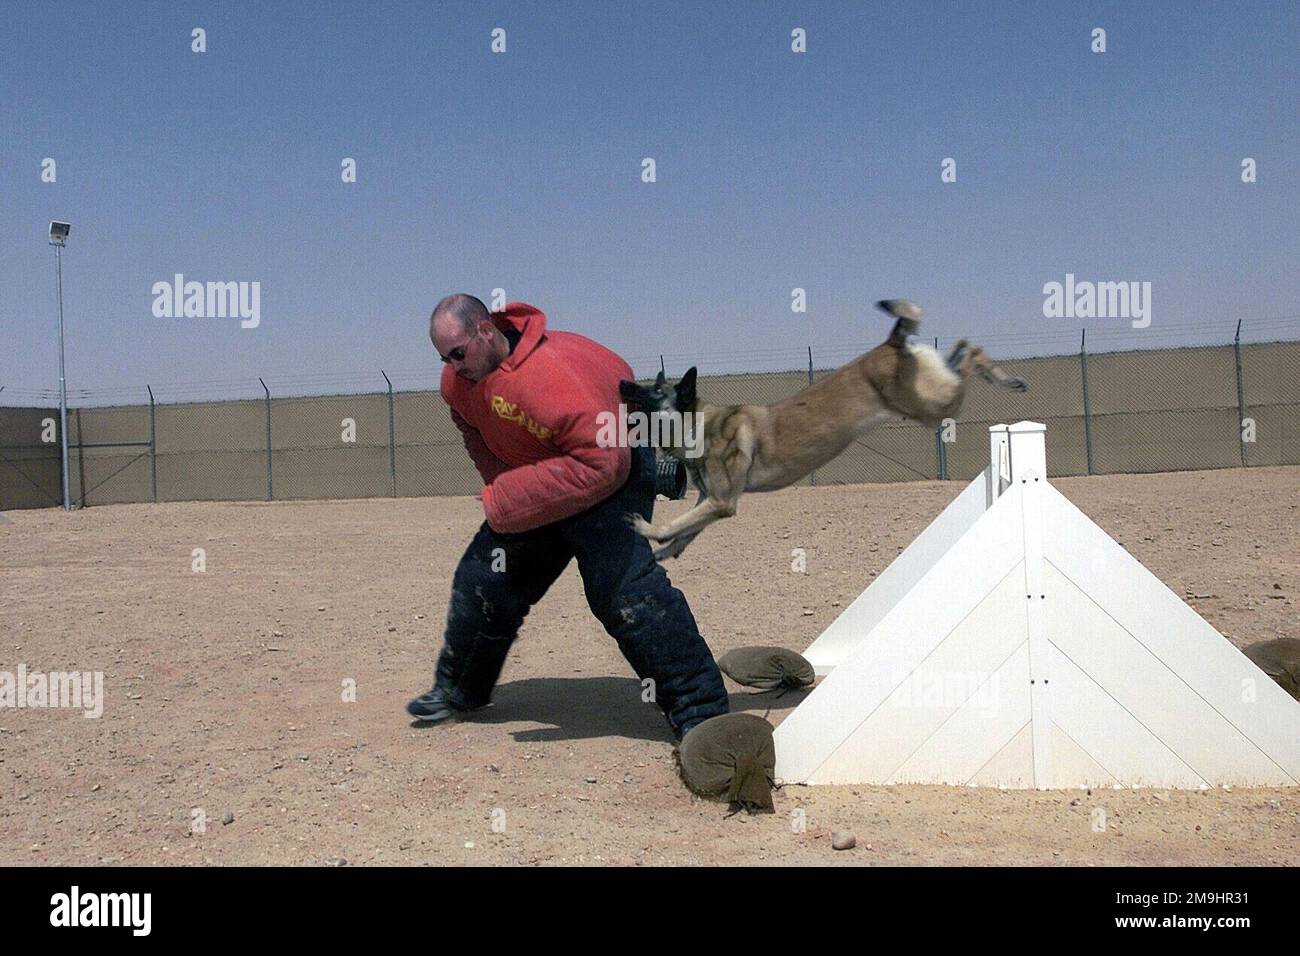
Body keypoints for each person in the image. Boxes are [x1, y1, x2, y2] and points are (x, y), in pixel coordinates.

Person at [406, 294, 729, 740]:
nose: (452, 366)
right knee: (484, 579)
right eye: (443, 357)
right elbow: (472, 427)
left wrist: (510, 497)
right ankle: (460, 689)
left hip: (614, 466)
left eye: (458, 353)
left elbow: (604, 463)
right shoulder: (457, 381)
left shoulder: (556, 377)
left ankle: (703, 714)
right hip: (545, 473)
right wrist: (513, 485)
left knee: (622, 592)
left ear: (485, 331)